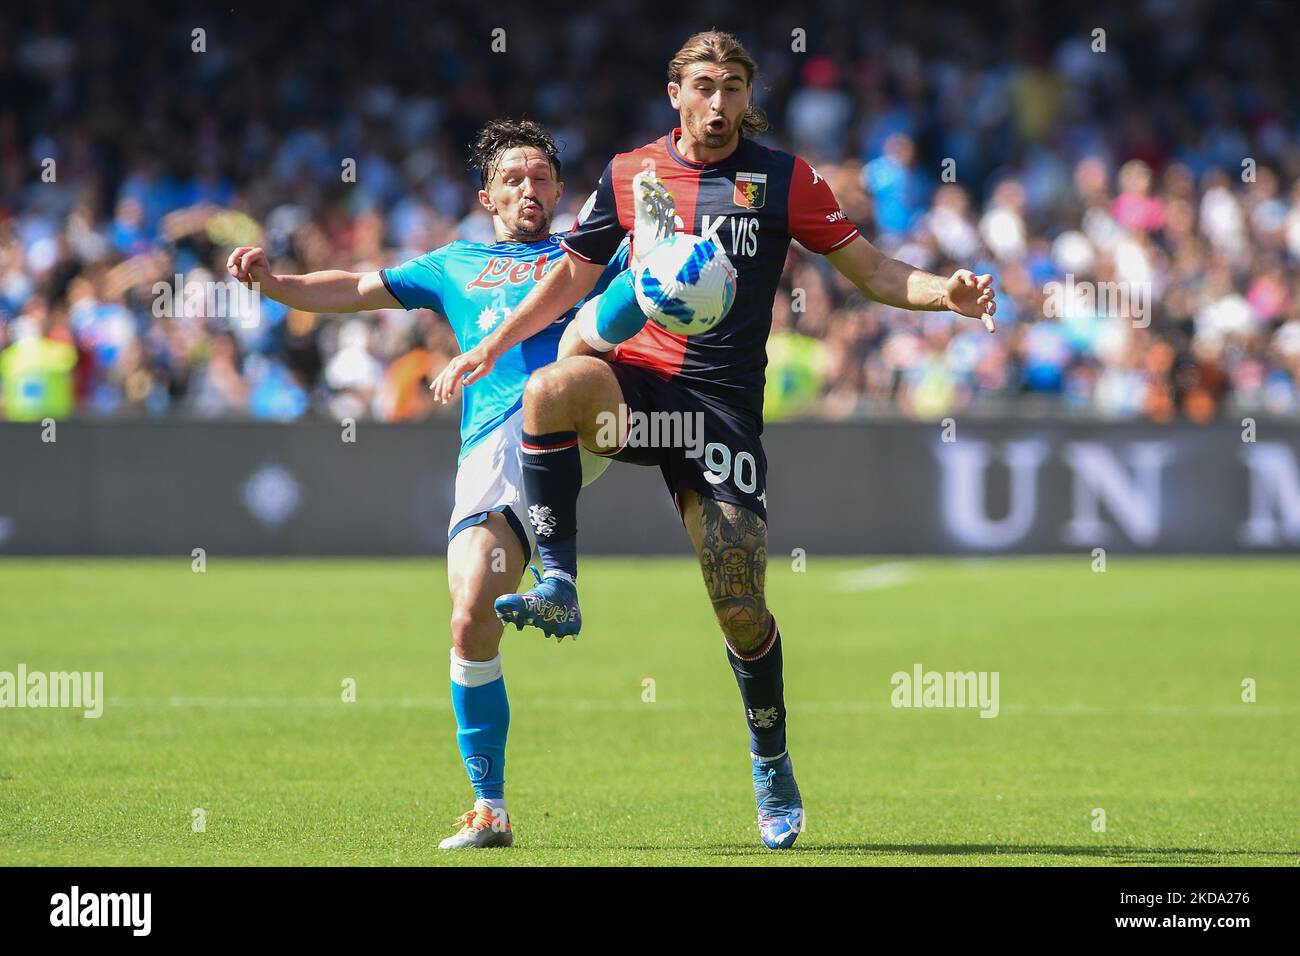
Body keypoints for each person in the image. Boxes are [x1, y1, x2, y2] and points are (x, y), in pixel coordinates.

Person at [430, 31, 997, 851]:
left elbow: (872, 271)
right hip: (635, 382)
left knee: (740, 608)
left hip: (716, 411)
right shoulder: (631, 175)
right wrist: (489, 345)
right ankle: (559, 579)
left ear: (747, 95)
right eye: (704, 86)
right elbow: (568, 278)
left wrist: (947, 291)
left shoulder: (785, 180)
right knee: (550, 387)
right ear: (676, 93)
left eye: (733, 87)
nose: (719, 103)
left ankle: (771, 757)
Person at [228, 119, 624, 849]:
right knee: (469, 615)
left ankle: (564, 573)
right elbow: (354, 285)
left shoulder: (589, 252)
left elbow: (655, 273)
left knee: (584, 366)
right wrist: (275, 284)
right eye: (513, 178)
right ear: (487, 196)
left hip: (577, 420)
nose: (528, 189)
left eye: (540, 177)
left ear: (561, 191)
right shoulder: (456, 263)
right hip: (489, 455)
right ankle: (490, 807)